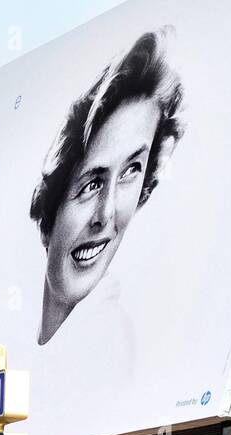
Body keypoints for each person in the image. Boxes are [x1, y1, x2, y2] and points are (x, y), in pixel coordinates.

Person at [29, 29, 185, 347]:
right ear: (48, 217)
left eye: (130, 171)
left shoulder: (116, 348)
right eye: (92, 183)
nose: (107, 213)